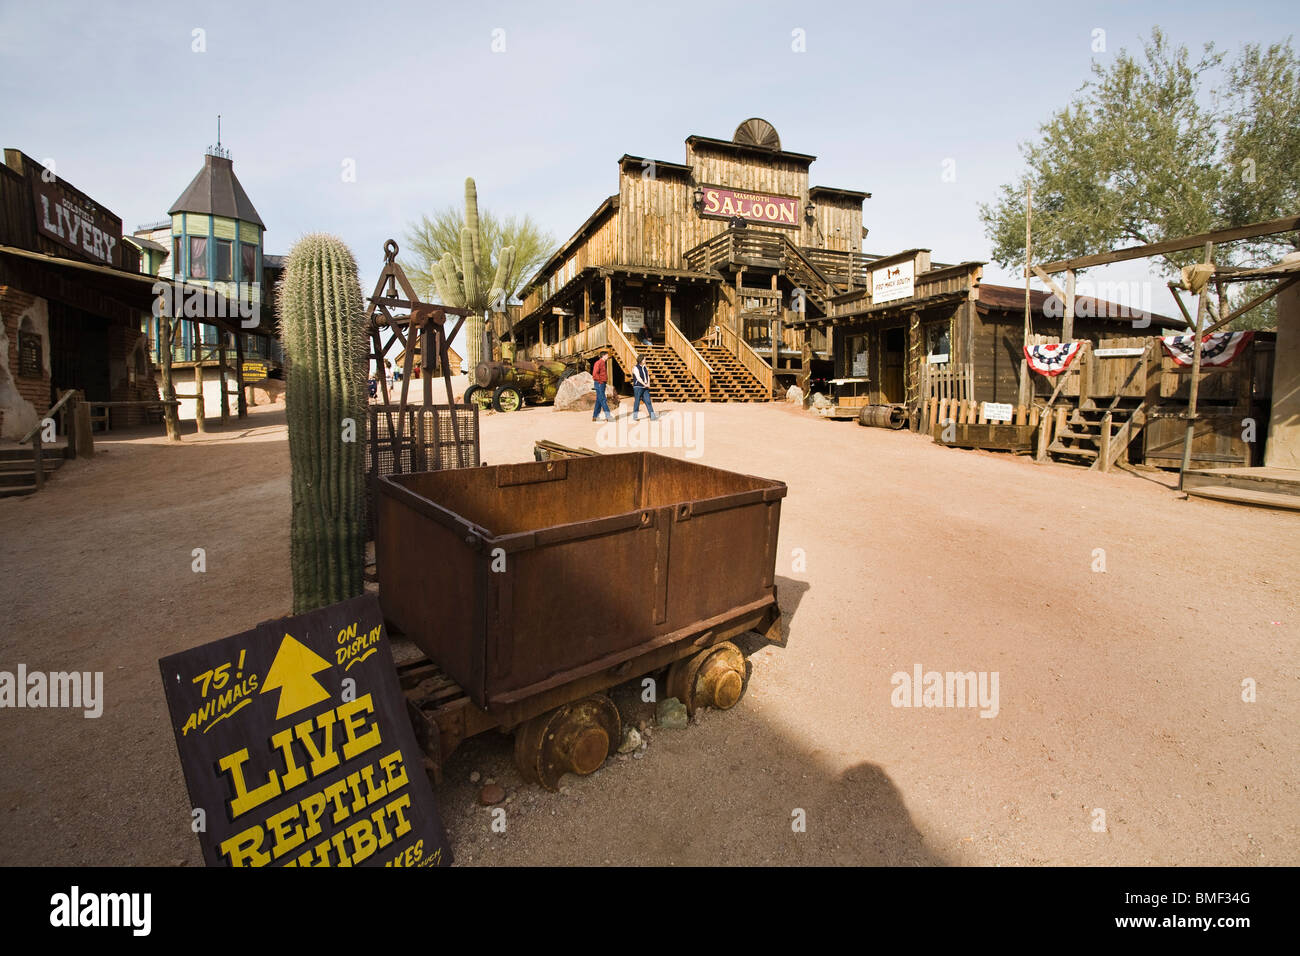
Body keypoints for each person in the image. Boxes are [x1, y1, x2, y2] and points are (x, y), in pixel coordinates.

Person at [632, 353, 658, 421]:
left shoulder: (645, 367)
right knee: (637, 402)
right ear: (641, 359)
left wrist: (648, 384)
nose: (645, 360)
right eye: (644, 359)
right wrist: (644, 384)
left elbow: (647, 376)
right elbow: (638, 378)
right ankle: (635, 416)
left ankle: (652, 416)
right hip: (638, 387)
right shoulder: (635, 368)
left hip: (645, 387)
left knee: (648, 401)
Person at [591, 349, 613, 422]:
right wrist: (600, 381)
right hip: (599, 383)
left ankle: (595, 416)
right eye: (607, 355)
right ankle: (608, 416)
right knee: (603, 399)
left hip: (602, 383)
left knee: (599, 400)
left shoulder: (603, 363)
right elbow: (594, 374)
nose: (608, 356)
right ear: (603, 356)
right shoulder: (598, 363)